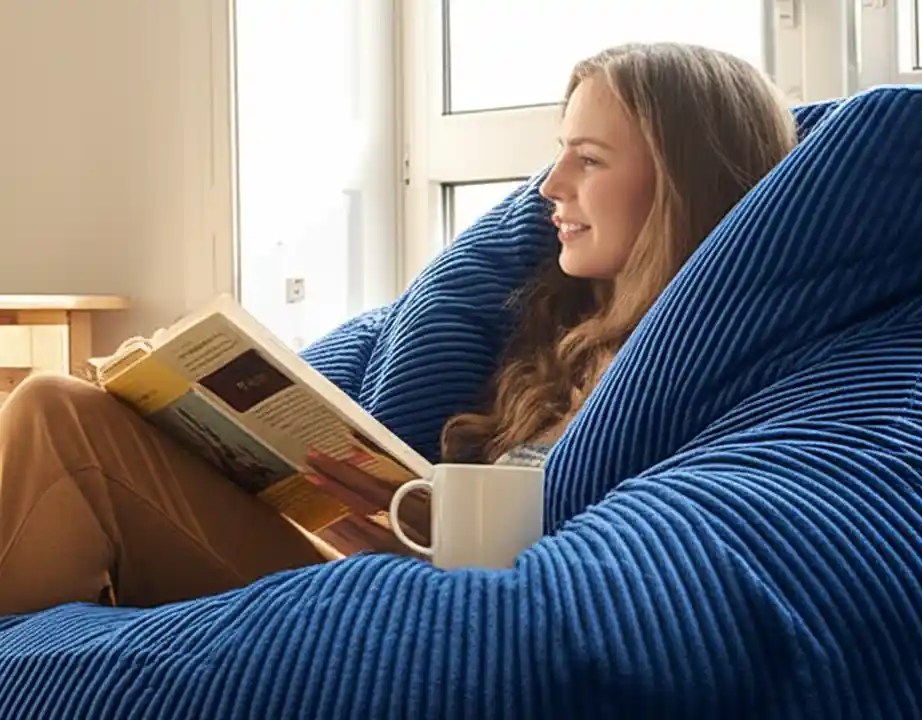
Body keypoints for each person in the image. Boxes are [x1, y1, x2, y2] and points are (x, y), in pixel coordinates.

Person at [0, 42, 797, 616]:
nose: (550, 187)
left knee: (58, 423)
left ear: (683, 181)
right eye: (560, 155)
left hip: (425, 607)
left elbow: (602, 574)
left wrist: (416, 539)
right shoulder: (563, 331)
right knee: (70, 406)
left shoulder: (709, 360)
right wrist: (403, 514)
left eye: (588, 159)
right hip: (376, 564)